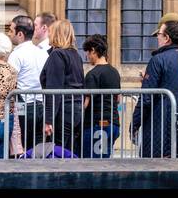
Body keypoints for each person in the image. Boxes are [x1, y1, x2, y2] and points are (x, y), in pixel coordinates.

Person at [133, 18, 178, 157]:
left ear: (166, 38)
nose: (157, 38)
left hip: (159, 129)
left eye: (159, 35)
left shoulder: (158, 59)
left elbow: (146, 98)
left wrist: (135, 124)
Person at [39, 18, 85, 157]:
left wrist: (48, 120)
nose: (48, 35)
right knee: (70, 150)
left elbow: (54, 89)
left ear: (57, 34)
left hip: (63, 111)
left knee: (58, 151)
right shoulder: (76, 55)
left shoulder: (57, 55)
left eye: (51, 32)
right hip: (76, 110)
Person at [7, 14, 47, 150]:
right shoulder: (42, 53)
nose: (8, 34)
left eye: (11, 30)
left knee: (23, 145)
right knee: (38, 147)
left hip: (24, 105)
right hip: (42, 105)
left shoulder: (16, 55)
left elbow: (9, 82)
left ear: (20, 34)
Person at [81, 34, 122, 158]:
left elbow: (86, 103)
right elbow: (118, 98)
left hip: (98, 126)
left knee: (94, 166)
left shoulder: (93, 74)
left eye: (87, 52)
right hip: (113, 124)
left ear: (93, 50)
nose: (87, 56)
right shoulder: (114, 72)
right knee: (105, 161)